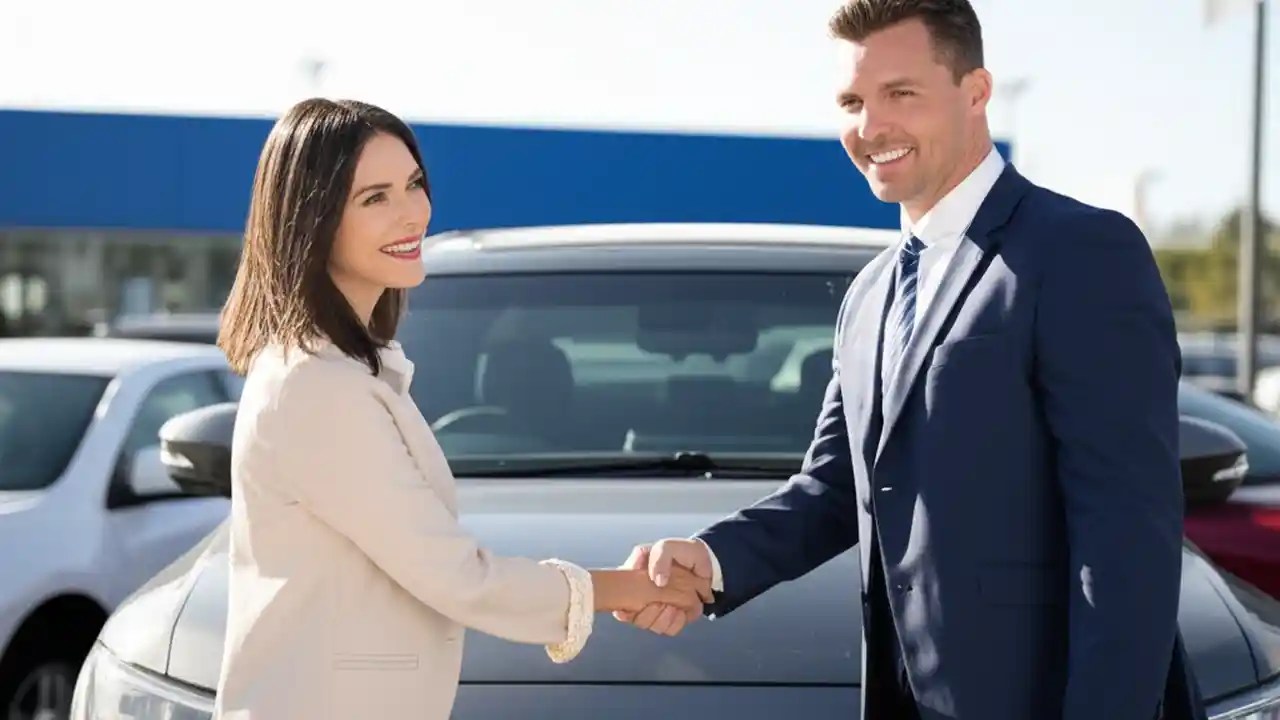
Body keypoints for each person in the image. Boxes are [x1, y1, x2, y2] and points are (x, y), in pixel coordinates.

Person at [616, 1, 1207, 719]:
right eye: (852, 101)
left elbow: (1124, 537)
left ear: (976, 92)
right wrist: (709, 561)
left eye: (901, 94)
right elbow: (835, 489)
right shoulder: (868, 295)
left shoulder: (1081, 252)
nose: (870, 129)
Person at [212, 98, 709, 720]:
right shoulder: (316, 386)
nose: (411, 213)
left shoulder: (346, 368)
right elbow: (457, 576)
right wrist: (626, 588)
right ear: (312, 219)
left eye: (414, 184)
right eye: (374, 198)